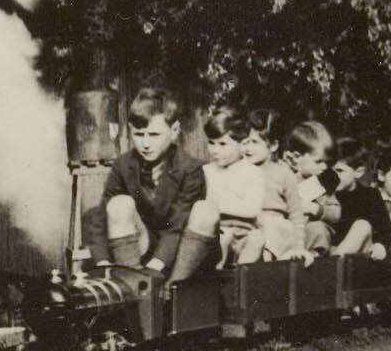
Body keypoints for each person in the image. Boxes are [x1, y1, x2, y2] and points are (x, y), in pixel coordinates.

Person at [82, 88, 204, 285]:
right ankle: (131, 285)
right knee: (119, 204)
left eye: (154, 134)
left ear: (174, 131)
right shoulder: (123, 165)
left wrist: (155, 267)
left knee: (205, 210)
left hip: (181, 249)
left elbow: (177, 227)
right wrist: (103, 263)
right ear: (130, 129)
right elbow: (100, 220)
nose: (145, 143)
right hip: (142, 245)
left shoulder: (190, 169)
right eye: (139, 134)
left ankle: (171, 288)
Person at [173, 107, 265, 275]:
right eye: (211, 143)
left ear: (243, 144)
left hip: (245, 233)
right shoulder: (206, 171)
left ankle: (241, 280)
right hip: (218, 232)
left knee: (258, 238)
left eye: (223, 144)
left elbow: (252, 209)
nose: (215, 150)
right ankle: (218, 278)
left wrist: (217, 205)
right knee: (224, 236)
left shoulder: (254, 173)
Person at [242, 109, 308, 261]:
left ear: (272, 146)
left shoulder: (283, 174)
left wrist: (299, 245)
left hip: (277, 229)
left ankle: (267, 268)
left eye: (255, 142)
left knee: (275, 226)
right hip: (250, 226)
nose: (248, 148)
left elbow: (296, 214)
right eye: (245, 141)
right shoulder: (241, 170)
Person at [314, 138, 391, 259]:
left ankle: (335, 264)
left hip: (359, 254)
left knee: (362, 225)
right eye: (330, 169)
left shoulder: (369, 195)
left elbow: (386, 230)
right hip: (329, 250)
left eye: (340, 170)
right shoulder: (323, 191)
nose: (333, 175)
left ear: (358, 172)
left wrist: (380, 245)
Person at [281, 121, 341, 254]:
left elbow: (336, 214)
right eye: (318, 161)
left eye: (327, 162)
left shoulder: (321, 184)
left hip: (311, 235)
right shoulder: (283, 176)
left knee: (318, 229)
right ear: (296, 157)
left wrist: (316, 209)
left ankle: (314, 266)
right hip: (287, 231)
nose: (324, 167)